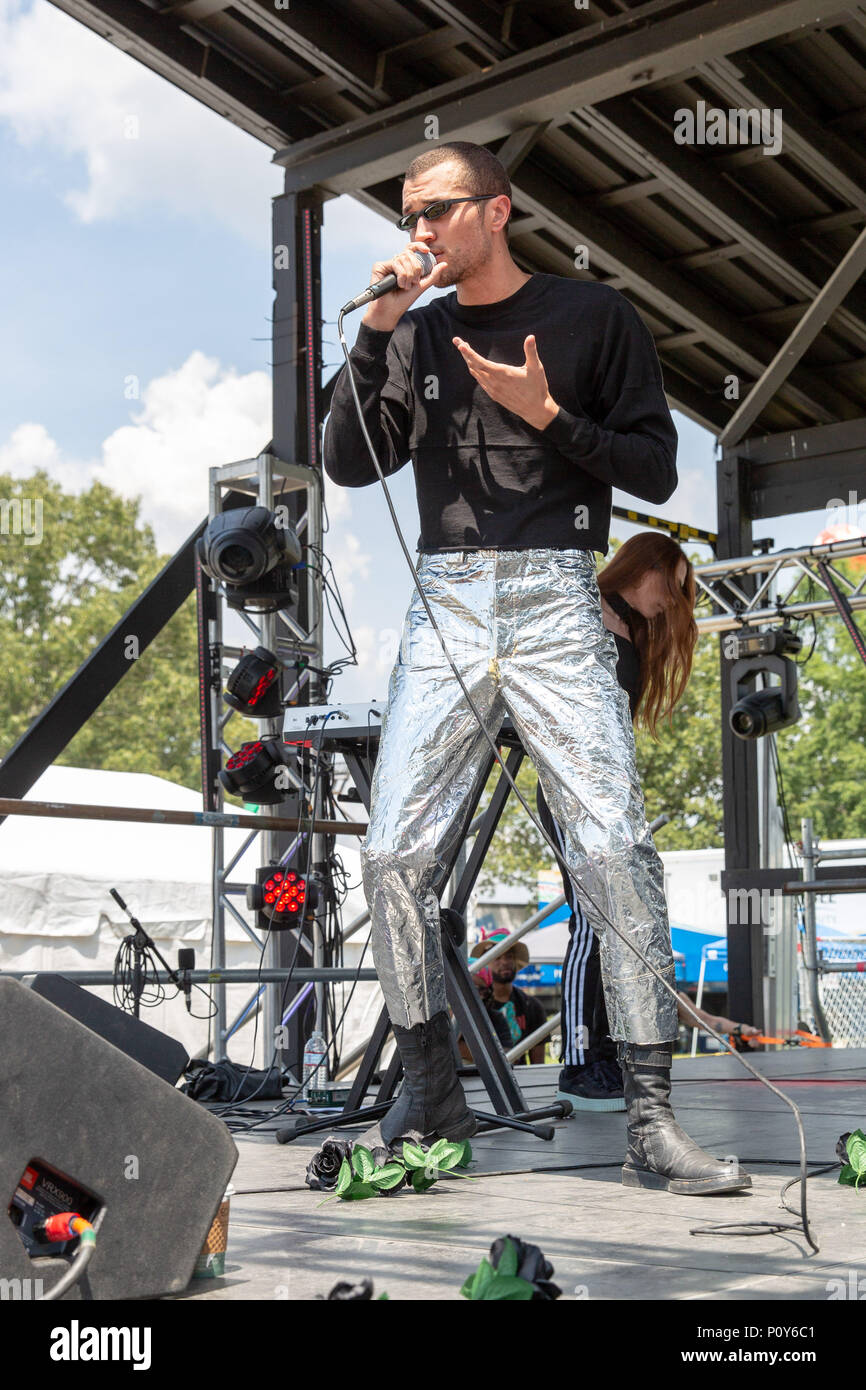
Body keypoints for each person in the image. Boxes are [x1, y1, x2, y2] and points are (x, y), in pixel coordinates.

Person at [323, 140, 750, 1195]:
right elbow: (344, 457)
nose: (415, 229)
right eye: (405, 214)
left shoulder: (592, 318)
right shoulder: (411, 333)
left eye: (435, 209)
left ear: (497, 209)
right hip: (446, 600)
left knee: (612, 845)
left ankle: (650, 1116)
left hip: (559, 591)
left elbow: (653, 463)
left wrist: (546, 415)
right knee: (392, 855)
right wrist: (377, 324)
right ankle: (430, 1093)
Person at [536, 533, 760, 1111]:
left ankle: (610, 1054)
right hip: (566, 784)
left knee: (623, 928)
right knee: (591, 921)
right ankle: (579, 1061)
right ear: (645, 567)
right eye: (675, 584)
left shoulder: (635, 630)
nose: (675, 599)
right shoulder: (583, 603)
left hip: (607, 793)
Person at [459, 933, 546, 1066]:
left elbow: (538, 1064)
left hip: (520, 1080)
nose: (504, 962)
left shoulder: (532, 1006)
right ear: (484, 962)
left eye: (509, 957)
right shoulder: (466, 1007)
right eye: (497, 957)